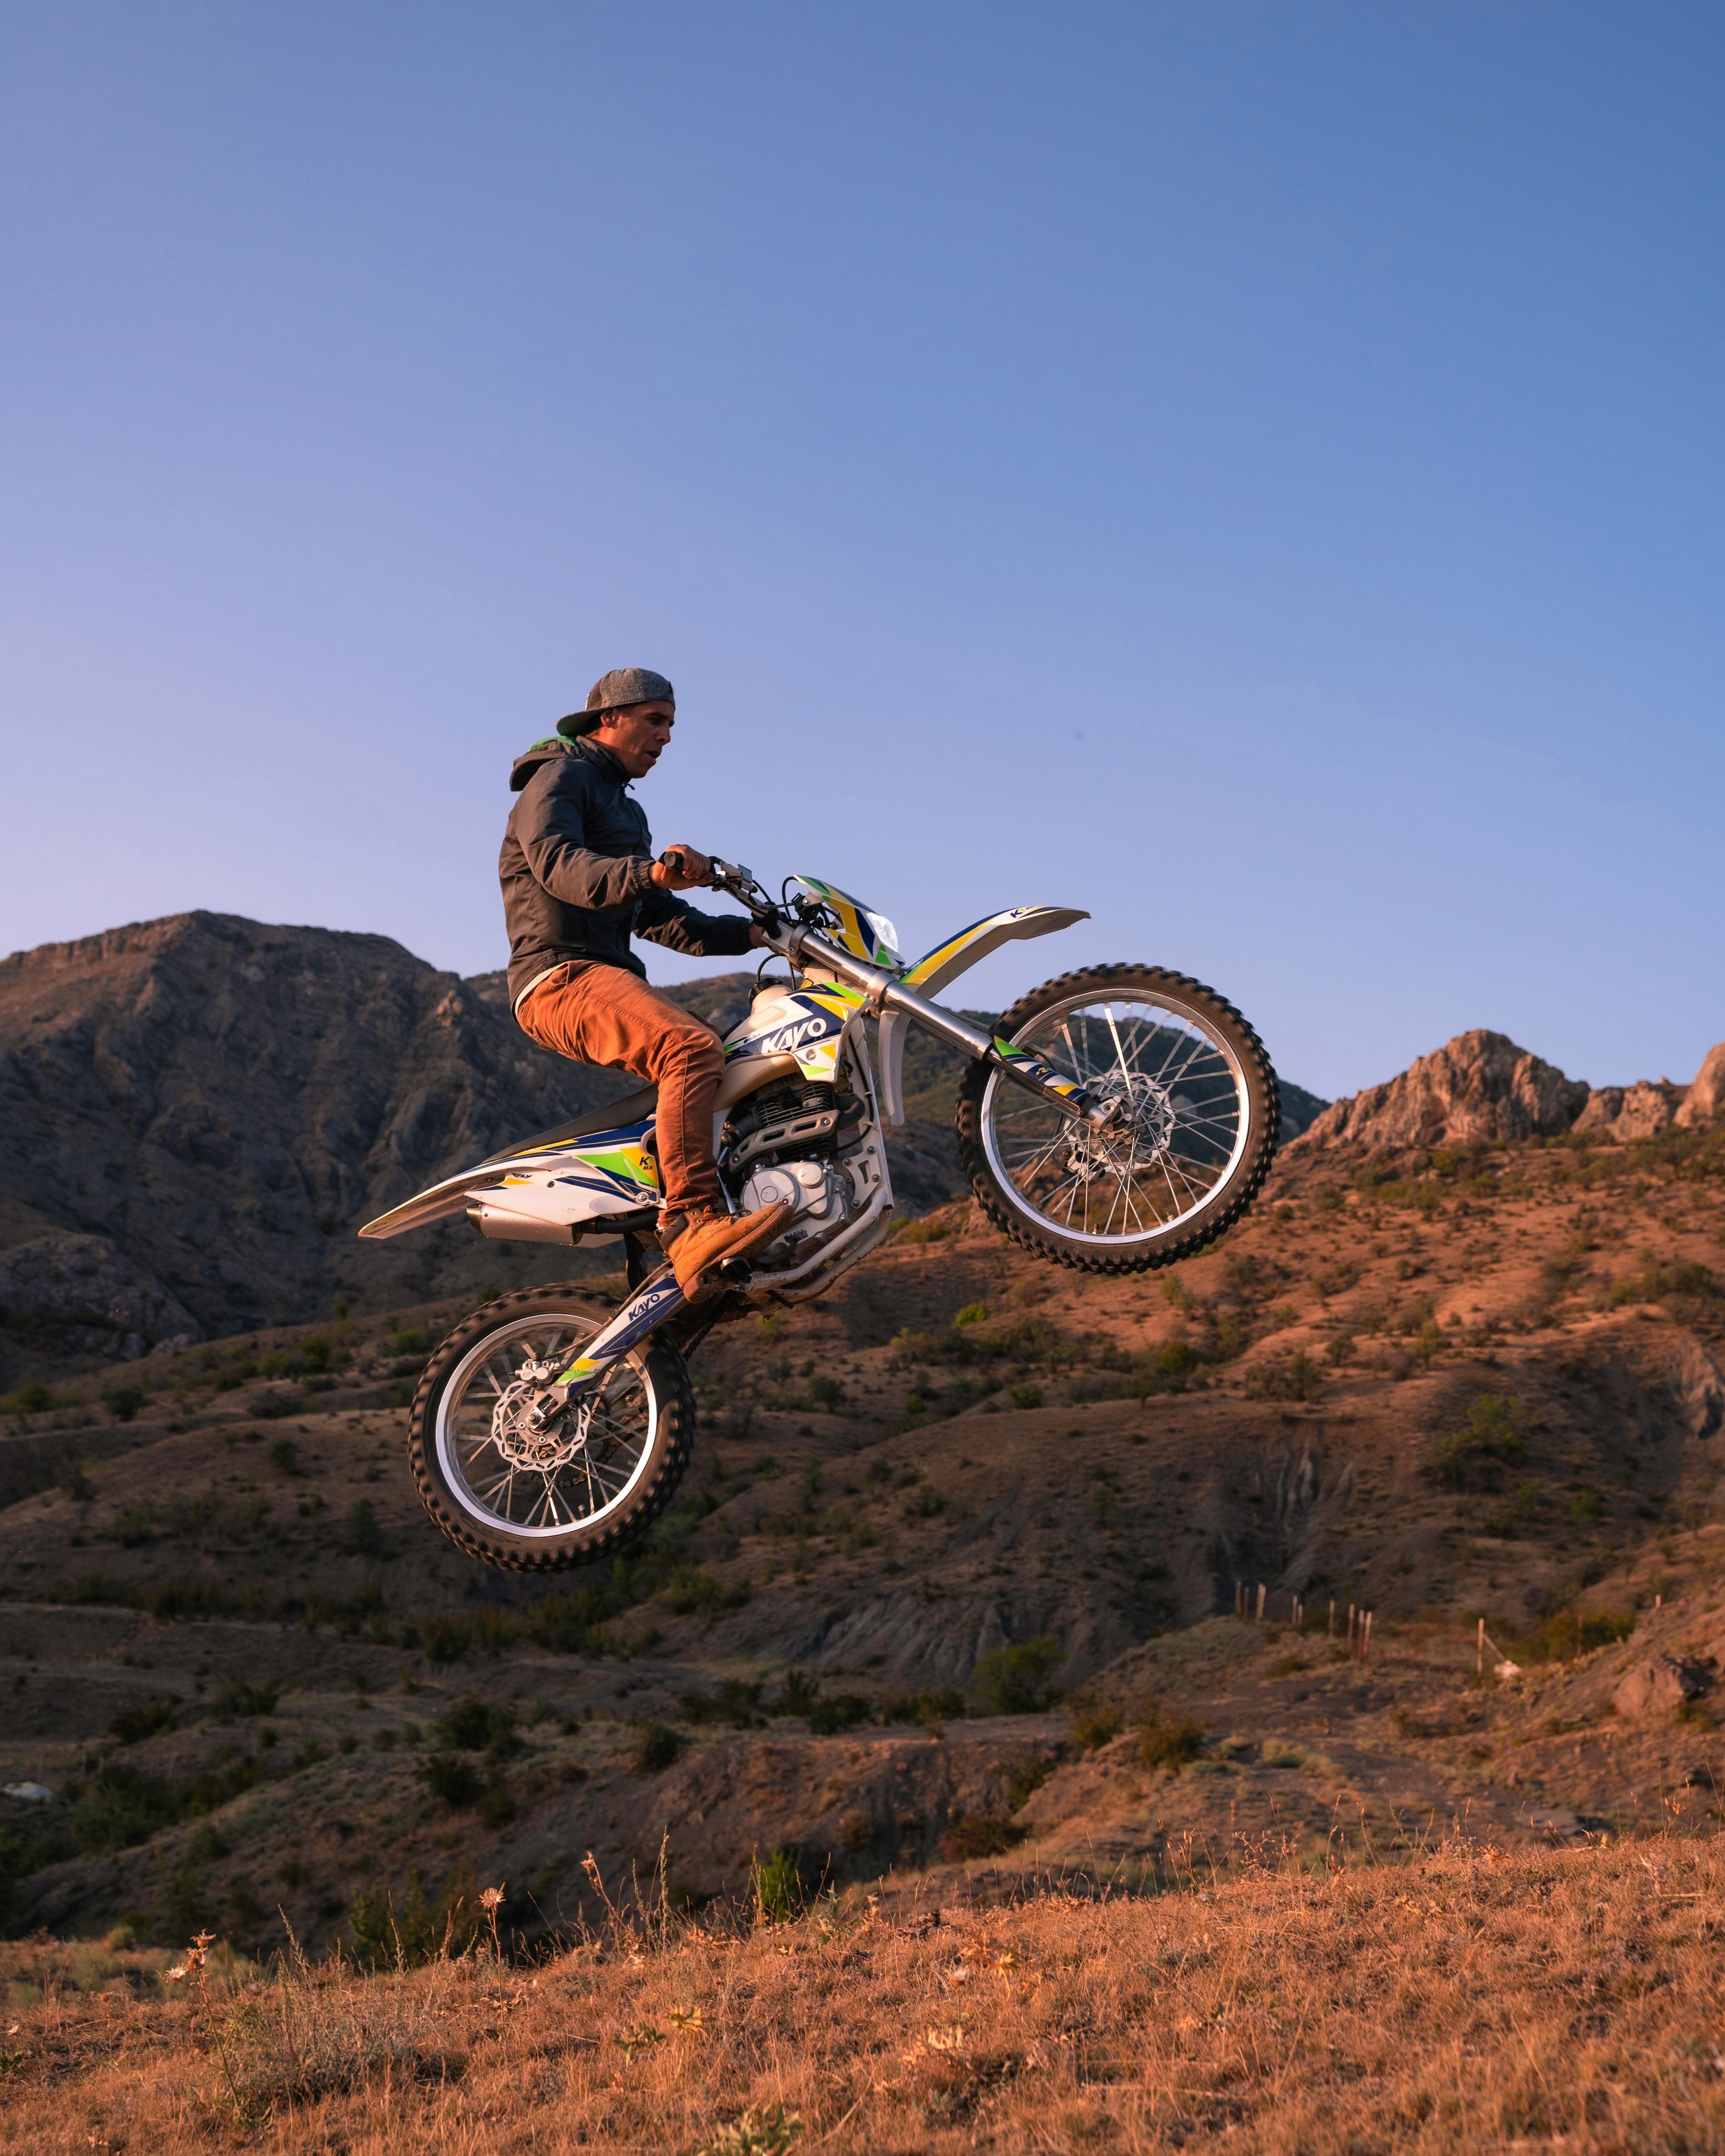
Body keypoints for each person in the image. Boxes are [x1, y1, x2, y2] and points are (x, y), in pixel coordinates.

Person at [499, 667, 791, 1300]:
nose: (665, 736)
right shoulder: (560, 775)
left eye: (671, 725)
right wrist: (653, 872)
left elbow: (660, 921)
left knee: (736, 1068)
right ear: (611, 718)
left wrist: (758, 935)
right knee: (688, 1049)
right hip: (559, 975)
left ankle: (694, 1255)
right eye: (654, 720)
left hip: (601, 973)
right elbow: (560, 868)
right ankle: (690, 1221)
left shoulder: (626, 809)